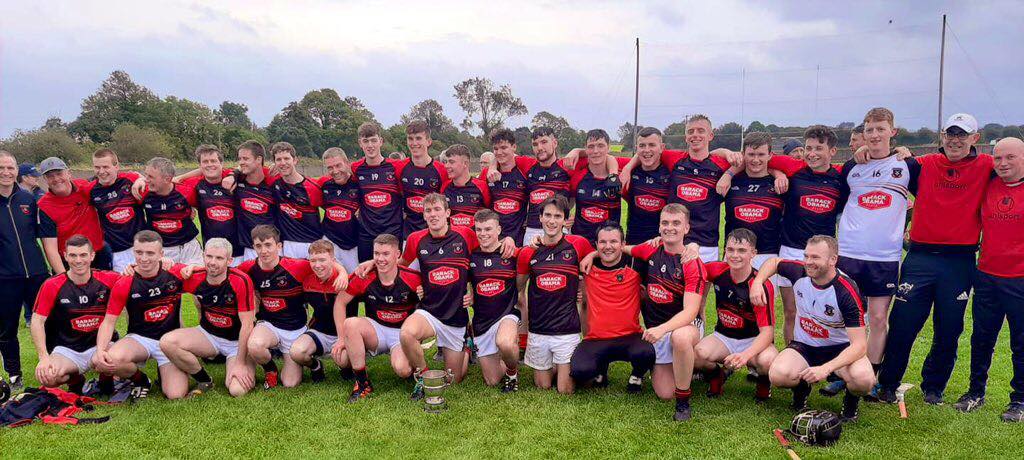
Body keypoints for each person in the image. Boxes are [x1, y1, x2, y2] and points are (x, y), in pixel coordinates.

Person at [876, 113, 994, 404]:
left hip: (959, 262)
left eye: (962, 135)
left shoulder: (987, 166)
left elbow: (1015, 166)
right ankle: (887, 383)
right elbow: (880, 161)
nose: (955, 140)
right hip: (920, 259)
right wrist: (890, 150)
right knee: (904, 323)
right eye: (950, 134)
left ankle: (934, 387)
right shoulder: (924, 164)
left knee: (949, 328)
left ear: (974, 139)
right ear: (942, 136)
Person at [836, 107, 920, 391]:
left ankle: (870, 374)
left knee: (877, 317)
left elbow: (931, 197)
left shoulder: (907, 164)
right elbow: (838, 203)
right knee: (846, 315)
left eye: (880, 129)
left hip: (884, 256)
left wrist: (913, 225)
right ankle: (842, 371)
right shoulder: (852, 166)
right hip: (849, 252)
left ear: (892, 132)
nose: (874, 135)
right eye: (870, 129)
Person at [754, 236, 875, 422]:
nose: (808, 262)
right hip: (805, 345)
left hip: (840, 349)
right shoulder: (800, 272)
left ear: (833, 260)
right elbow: (774, 262)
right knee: (778, 375)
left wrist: (826, 369)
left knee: (864, 380)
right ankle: (802, 388)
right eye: (806, 256)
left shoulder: (847, 291)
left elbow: (859, 346)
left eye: (816, 257)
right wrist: (757, 282)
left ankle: (851, 402)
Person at [953, 137, 1024, 422]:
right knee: (981, 338)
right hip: (987, 276)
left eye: (1010, 158)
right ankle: (975, 392)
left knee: (1020, 343)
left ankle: (1019, 400)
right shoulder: (988, 184)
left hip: (1020, 279)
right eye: (998, 158)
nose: (1003, 164)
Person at [763, 126, 844, 346]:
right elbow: (762, 159)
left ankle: (823, 357)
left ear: (833, 151)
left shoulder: (840, 177)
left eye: (819, 148)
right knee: (791, 311)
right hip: (791, 249)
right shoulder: (794, 167)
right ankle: (792, 352)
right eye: (808, 148)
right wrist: (778, 173)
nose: (812, 153)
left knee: (822, 313)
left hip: (823, 255)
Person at [627, 204, 707, 421]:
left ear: (687, 228)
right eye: (665, 223)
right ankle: (673, 367)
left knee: (680, 339)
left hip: (685, 326)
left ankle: (684, 401)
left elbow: (690, 312)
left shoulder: (692, 263)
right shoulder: (651, 248)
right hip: (658, 330)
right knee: (664, 393)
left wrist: (662, 329)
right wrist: (593, 254)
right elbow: (622, 249)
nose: (669, 228)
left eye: (676, 223)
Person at [93, 231, 191, 400]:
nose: (144, 258)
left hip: (169, 341)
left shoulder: (175, 272)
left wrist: (190, 267)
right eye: (139, 252)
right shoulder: (125, 281)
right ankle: (140, 379)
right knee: (109, 359)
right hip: (140, 339)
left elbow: (206, 273)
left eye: (150, 253)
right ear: (134, 252)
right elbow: (109, 322)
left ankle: (165, 371)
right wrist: (101, 350)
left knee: (176, 394)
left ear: (161, 254)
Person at [238, 225, 337, 389]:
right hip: (269, 326)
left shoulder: (296, 266)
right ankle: (270, 369)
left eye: (268, 245)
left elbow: (325, 264)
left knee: (291, 383)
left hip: (295, 330)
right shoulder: (249, 268)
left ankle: (314, 364)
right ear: (253, 247)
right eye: (258, 246)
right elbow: (226, 273)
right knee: (255, 345)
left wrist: (340, 272)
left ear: (279, 246)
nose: (264, 251)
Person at [158, 238, 257, 398]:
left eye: (219, 258)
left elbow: (247, 325)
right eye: (209, 256)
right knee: (167, 342)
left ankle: (243, 362)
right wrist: (158, 260)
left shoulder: (240, 280)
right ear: (203, 256)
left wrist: (240, 364)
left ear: (229, 260)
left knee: (237, 390)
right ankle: (204, 380)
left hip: (236, 342)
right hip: (208, 335)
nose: (212, 262)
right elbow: (154, 266)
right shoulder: (194, 275)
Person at [517, 195, 593, 395]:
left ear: (565, 220)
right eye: (547, 215)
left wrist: (582, 285)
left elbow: (597, 258)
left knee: (565, 389)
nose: (552, 221)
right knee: (543, 386)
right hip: (539, 330)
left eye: (557, 216)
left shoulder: (578, 245)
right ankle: (557, 365)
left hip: (566, 330)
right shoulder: (529, 252)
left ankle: (570, 365)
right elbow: (518, 287)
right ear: (540, 218)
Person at [30, 235, 120, 395]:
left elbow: (139, 280)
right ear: (65, 256)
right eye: (73, 255)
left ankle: (106, 381)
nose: (78, 260)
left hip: (100, 346)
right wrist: (43, 357)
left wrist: (164, 263)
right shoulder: (52, 285)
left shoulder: (109, 279)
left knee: (119, 358)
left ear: (92, 256)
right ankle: (76, 381)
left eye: (83, 255)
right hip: (68, 349)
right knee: (48, 377)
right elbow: (37, 322)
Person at [694, 229, 777, 401]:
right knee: (696, 355)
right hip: (724, 336)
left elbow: (768, 333)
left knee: (768, 360)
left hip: (753, 339)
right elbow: (692, 268)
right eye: (730, 250)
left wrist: (744, 356)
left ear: (753, 253)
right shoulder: (717, 270)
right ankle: (718, 375)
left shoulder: (761, 285)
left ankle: (763, 382)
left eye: (741, 251)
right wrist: (690, 248)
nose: (735, 255)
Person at [571, 225, 655, 394]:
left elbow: (658, 250)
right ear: (596, 244)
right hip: (596, 338)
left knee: (646, 352)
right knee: (580, 372)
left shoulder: (635, 264)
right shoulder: (588, 265)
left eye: (613, 241)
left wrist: (692, 246)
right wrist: (591, 255)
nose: (607, 246)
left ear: (623, 243)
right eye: (602, 242)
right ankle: (601, 370)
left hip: (630, 336)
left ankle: (636, 376)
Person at [1, 150, 59, 393]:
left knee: (49, 321)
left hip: (37, 274)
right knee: (7, 329)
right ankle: (14, 375)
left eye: (10, 168)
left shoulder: (28, 199)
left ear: (17, 170)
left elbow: (46, 236)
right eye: (1, 168)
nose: (6, 173)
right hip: (5, 278)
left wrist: (57, 271)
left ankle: (55, 366)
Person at [342, 234, 421, 403]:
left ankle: (413, 364)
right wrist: (341, 338)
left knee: (403, 370)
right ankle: (362, 383)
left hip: (402, 333)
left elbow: (429, 308)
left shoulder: (413, 277)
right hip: (376, 330)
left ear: (397, 255)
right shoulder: (365, 275)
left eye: (386, 254)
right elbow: (340, 302)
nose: (380, 258)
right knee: (350, 324)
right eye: (376, 254)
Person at [652, 115, 734, 262]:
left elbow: (750, 161)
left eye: (700, 131)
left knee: (702, 285)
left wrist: (729, 173)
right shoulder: (674, 159)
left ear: (710, 135)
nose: (695, 135)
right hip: (675, 239)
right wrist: (627, 168)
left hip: (706, 243)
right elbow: (646, 150)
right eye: (691, 131)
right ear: (686, 137)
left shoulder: (721, 164)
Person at [717, 132, 785, 277]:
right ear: (743, 155)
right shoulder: (731, 180)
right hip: (735, 253)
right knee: (728, 300)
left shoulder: (779, 183)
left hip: (768, 255)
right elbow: (710, 154)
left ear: (770, 155)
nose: (755, 160)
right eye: (751, 154)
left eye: (761, 155)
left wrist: (780, 174)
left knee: (763, 299)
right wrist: (728, 173)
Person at [466, 209, 521, 392]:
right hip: (482, 322)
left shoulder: (512, 253)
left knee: (505, 342)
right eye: (479, 229)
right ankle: (490, 352)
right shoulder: (471, 258)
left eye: (488, 229)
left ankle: (512, 373)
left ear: (499, 230)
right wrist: (469, 292)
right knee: (492, 380)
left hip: (507, 315)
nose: (483, 234)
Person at [289, 240, 351, 384]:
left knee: (343, 360)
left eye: (322, 260)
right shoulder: (306, 279)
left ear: (333, 260)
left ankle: (346, 367)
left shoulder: (346, 280)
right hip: (319, 331)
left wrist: (342, 272)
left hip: (344, 333)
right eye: (313, 260)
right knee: (297, 352)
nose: (317, 265)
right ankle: (316, 366)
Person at [37, 156, 113, 270]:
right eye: (50, 176)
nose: (56, 179)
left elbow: (112, 180)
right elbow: (50, 248)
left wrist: (138, 178)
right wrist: (63, 279)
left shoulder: (84, 187)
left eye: (59, 173)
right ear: (45, 179)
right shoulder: (44, 206)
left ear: (68, 173)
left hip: (98, 255)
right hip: (71, 262)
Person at [177, 145, 244, 266]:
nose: (209, 164)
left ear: (221, 163)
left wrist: (234, 174)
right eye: (205, 162)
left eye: (213, 161)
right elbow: (166, 184)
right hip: (211, 255)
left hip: (239, 252)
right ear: (200, 165)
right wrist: (189, 209)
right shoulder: (195, 185)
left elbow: (246, 166)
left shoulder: (234, 179)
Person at [350, 122, 404, 262]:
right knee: (366, 276)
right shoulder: (356, 168)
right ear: (360, 143)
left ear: (380, 141)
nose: (370, 145)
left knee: (392, 277)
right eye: (365, 141)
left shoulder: (396, 166)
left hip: (392, 232)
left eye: (374, 140)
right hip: (367, 235)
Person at [137, 157, 204, 265]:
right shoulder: (142, 192)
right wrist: (138, 180)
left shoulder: (186, 191)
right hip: (162, 249)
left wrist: (191, 210)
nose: (146, 180)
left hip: (188, 247)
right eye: (146, 175)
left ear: (167, 179)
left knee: (195, 279)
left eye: (151, 177)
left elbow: (206, 170)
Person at [89, 149, 146, 273]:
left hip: (142, 248)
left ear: (116, 166)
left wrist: (142, 179)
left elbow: (158, 189)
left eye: (105, 166)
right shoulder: (91, 190)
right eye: (97, 167)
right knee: (125, 289)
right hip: (116, 253)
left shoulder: (131, 180)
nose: (101, 171)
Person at [569, 129, 628, 244]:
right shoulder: (578, 175)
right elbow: (567, 204)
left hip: (609, 246)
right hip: (581, 243)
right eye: (591, 146)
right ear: (585, 149)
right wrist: (565, 217)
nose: (596, 151)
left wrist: (626, 169)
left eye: (600, 146)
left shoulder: (621, 173)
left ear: (608, 147)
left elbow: (642, 157)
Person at [269, 142, 324, 259]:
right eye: (278, 159)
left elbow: (329, 212)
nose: (283, 163)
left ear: (295, 160)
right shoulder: (274, 183)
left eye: (286, 158)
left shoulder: (312, 187)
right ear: (274, 163)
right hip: (287, 246)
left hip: (311, 245)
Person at [522, 127, 576, 246]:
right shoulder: (527, 166)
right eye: (535, 144)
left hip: (559, 229)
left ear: (555, 143)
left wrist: (576, 150)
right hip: (532, 230)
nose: (539, 148)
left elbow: (595, 156)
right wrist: (493, 166)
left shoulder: (566, 166)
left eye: (544, 142)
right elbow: (504, 155)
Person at [396, 121, 448, 239]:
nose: (414, 143)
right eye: (411, 139)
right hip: (408, 235)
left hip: (434, 235)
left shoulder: (441, 170)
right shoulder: (400, 167)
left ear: (428, 141)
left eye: (418, 138)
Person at [621, 127, 671, 245]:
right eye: (642, 146)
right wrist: (576, 151)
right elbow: (599, 156)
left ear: (662, 148)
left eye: (652, 145)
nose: (646, 150)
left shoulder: (671, 172)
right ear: (636, 148)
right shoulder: (628, 170)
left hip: (661, 243)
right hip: (633, 242)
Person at [481, 129, 530, 243]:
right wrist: (492, 166)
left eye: (503, 148)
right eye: (496, 149)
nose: (499, 152)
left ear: (514, 147)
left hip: (519, 239)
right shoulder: (487, 174)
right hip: (494, 240)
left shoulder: (524, 168)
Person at [233, 140, 279, 263]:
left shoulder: (274, 184)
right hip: (249, 249)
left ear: (259, 159)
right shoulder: (237, 181)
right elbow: (208, 169)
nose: (241, 162)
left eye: (245, 158)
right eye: (240, 159)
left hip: (272, 248)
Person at [317, 147, 361, 273]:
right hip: (330, 242)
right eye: (330, 167)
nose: (335, 171)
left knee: (354, 282)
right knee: (330, 281)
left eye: (338, 165)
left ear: (347, 164)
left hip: (354, 245)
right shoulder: (323, 184)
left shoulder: (359, 183)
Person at [441, 144, 490, 228]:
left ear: (465, 163)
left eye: (451, 162)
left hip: (475, 240)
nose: (446, 166)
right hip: (451, 241)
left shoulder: (482, 187)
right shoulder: (444, 187)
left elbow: (491, 216)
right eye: (446, 162)